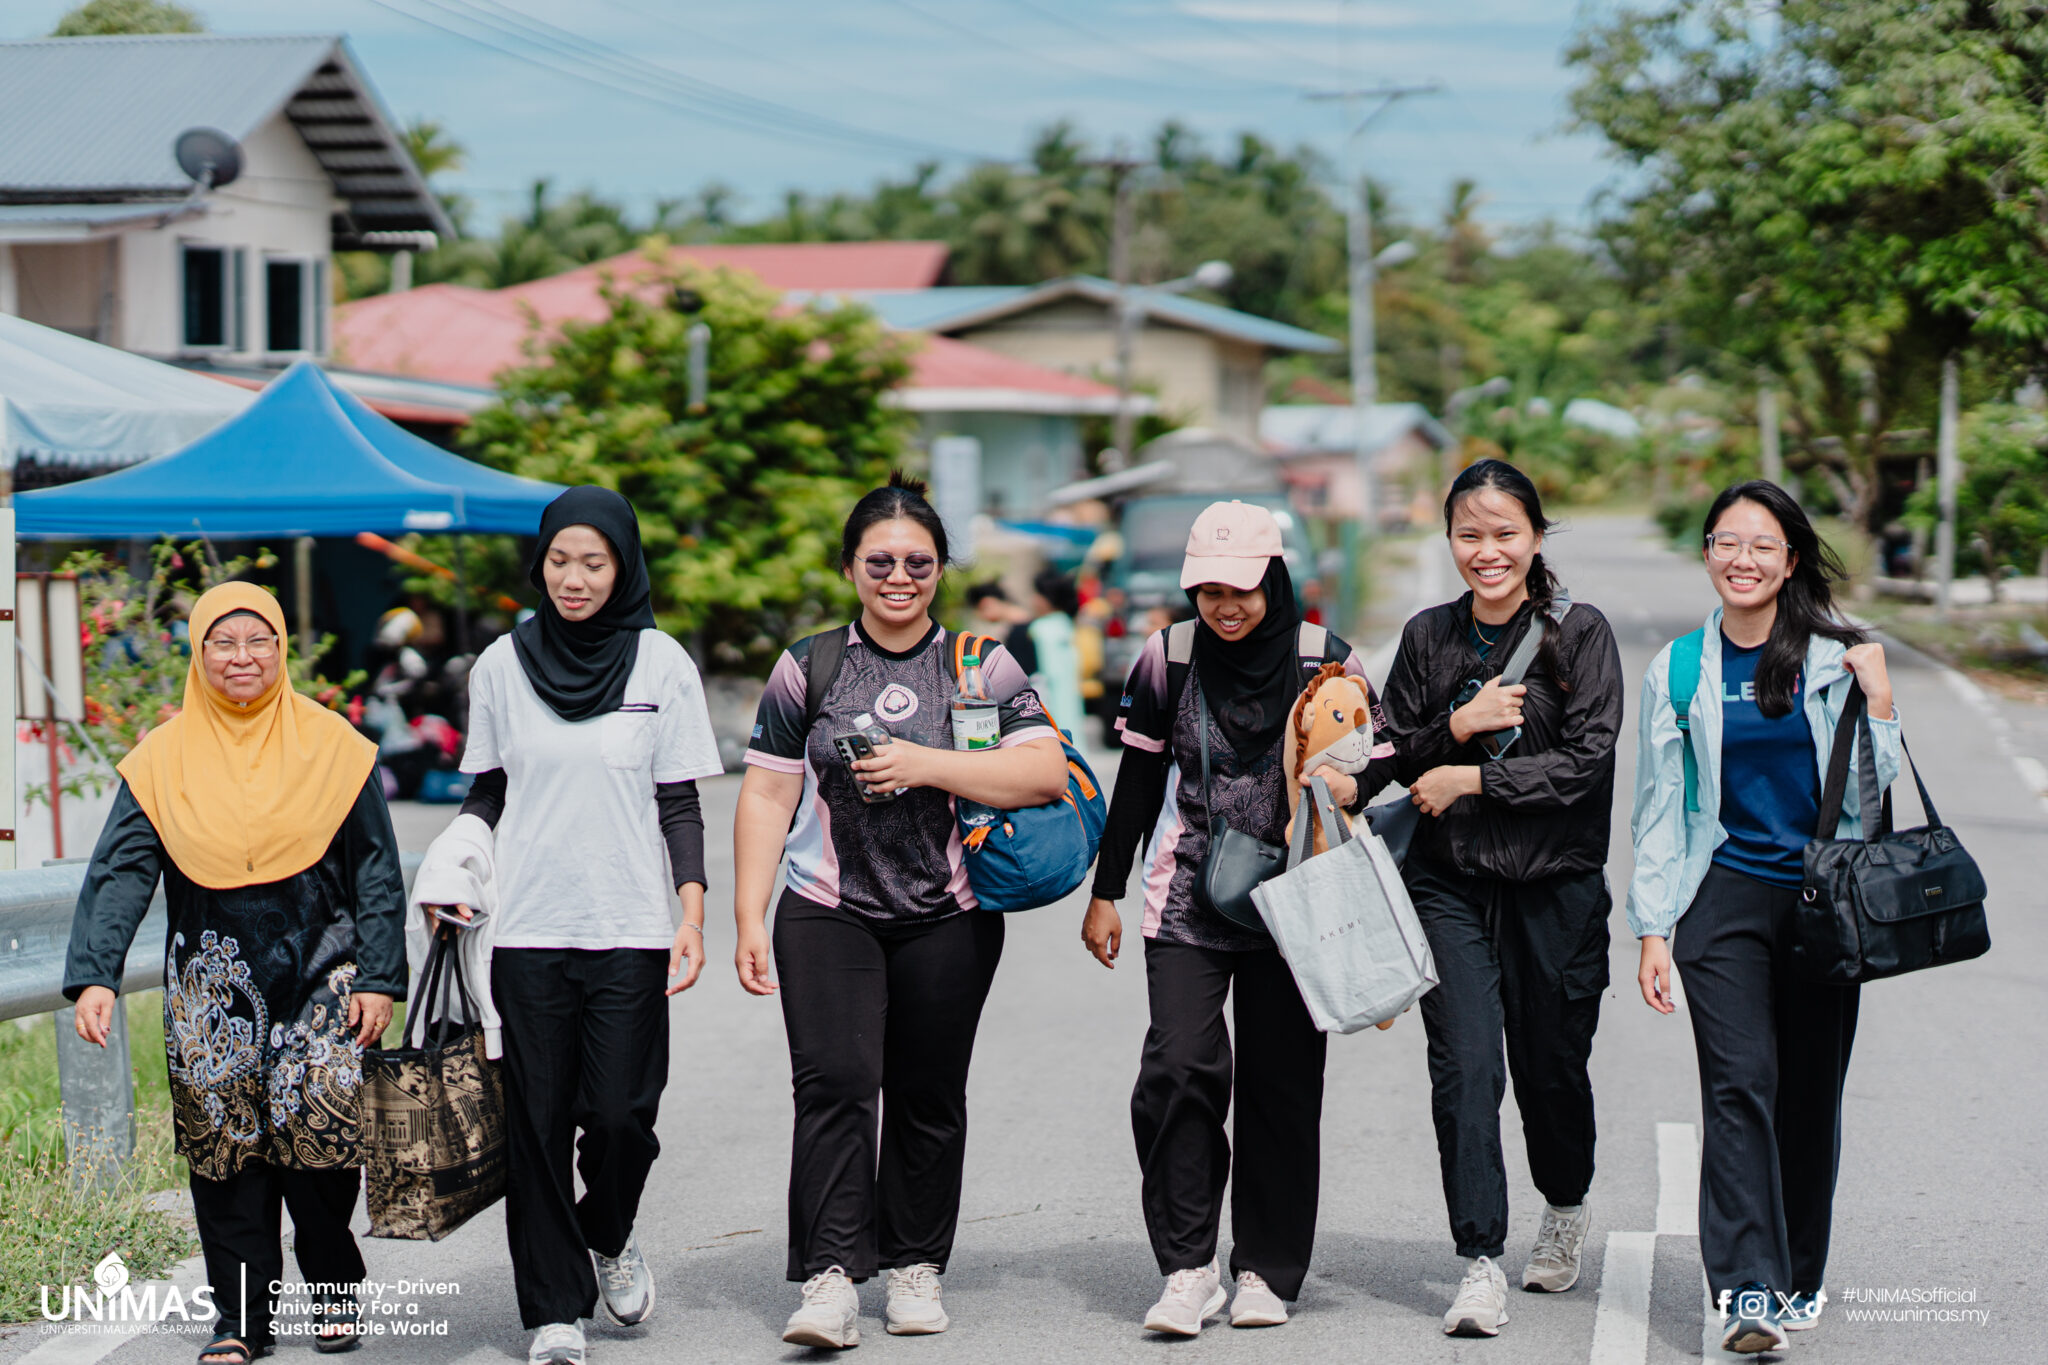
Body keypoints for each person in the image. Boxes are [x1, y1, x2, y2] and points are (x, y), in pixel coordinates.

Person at [734, 473, 1068, 1349]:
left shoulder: (977, 664)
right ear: (850, 566)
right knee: (836, 1086)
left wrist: (926, 762)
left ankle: (916, 1264)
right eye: (879, 560)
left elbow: (1040, 774)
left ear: (940, 569)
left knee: (926, 1092)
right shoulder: (809, 665)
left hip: (947, 911)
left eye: (917, 561)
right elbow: (767, 797)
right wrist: (743, 915)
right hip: (825, 907)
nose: (898, 576)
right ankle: (832, 1275)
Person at [64, 583, 406, 1365]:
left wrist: (382, 976)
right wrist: (96, 974)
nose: (242, 657)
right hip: (210, 987)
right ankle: (241, 1319)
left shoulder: (336, 747)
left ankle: (332, 1287)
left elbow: (378, 873)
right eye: (224, 642)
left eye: (259, 640)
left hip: (324, 977)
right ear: (199, 652)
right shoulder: (160, 760)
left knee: (319, 1146)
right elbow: (121, 872)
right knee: (225, 1156)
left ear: (282, 648)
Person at [422, 486, 723, 1365]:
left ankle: (610, 1231)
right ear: (540, 563)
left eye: (594, 561)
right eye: (560, 560)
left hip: (628, 924)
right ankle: (553, 1310)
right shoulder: (497, 668)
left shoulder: (662, 663)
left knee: (624, 1115)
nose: (575, 578)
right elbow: (487, 792)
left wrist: (692, 909)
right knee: (539, 1125)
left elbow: (679, 802)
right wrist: (455, 868)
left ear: (623, 564)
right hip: (525, 931)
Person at [1081, 499, 1395, 1337]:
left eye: (1242, 589)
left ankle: (1265, 1266)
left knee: (1281, 1087)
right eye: (1209, 589)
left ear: (1275, 579)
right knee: (1179, 1070)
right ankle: (1186, 1267)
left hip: (1298, 898)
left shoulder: (1326, 659)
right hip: (1187, 895)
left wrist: (1343, 785)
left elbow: (1383, 757)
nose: (1225, 606)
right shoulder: (1167, 657)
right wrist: (1106, 889)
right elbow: (1138, 782)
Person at [1628, 480, 1899, 1354]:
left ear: (1790, 562)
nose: (1742, 561)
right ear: (1707, 551)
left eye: (1762, 547)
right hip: (1726, 896)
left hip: (1825, 899)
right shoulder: (1676, 668)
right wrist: (1653, 928)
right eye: (1726, 543)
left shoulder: (1838, 655)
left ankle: (1799, 1275)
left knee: (1809, 1096)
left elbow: (1874, 790)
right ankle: (1748, 1293)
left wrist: (1882, 701)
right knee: (1738, 1083)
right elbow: (1661, 809)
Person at [1376, 459, 1624, 1338]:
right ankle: (1479, 1259)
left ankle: (1564, 1201)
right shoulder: (1427, 635)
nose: (1487, 551)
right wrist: (1457, 727)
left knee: (1552, 1071)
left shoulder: (1579, 634)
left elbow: (1588, 762)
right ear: (1449, 540)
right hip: (1449, 887)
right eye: (1469, 535)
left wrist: (1474, 776)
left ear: (1537, 537)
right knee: (1467, 1070)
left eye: (1504, 533)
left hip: (1557, 888)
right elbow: (1386, 754)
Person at [1023, 569, 1088, 746]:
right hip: (1070, 700)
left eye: (1037, 595)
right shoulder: (1066, 624)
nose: (1033, 600)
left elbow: (1043, 675)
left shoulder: (1040, 629)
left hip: (1048, 700)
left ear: (1048, 599)